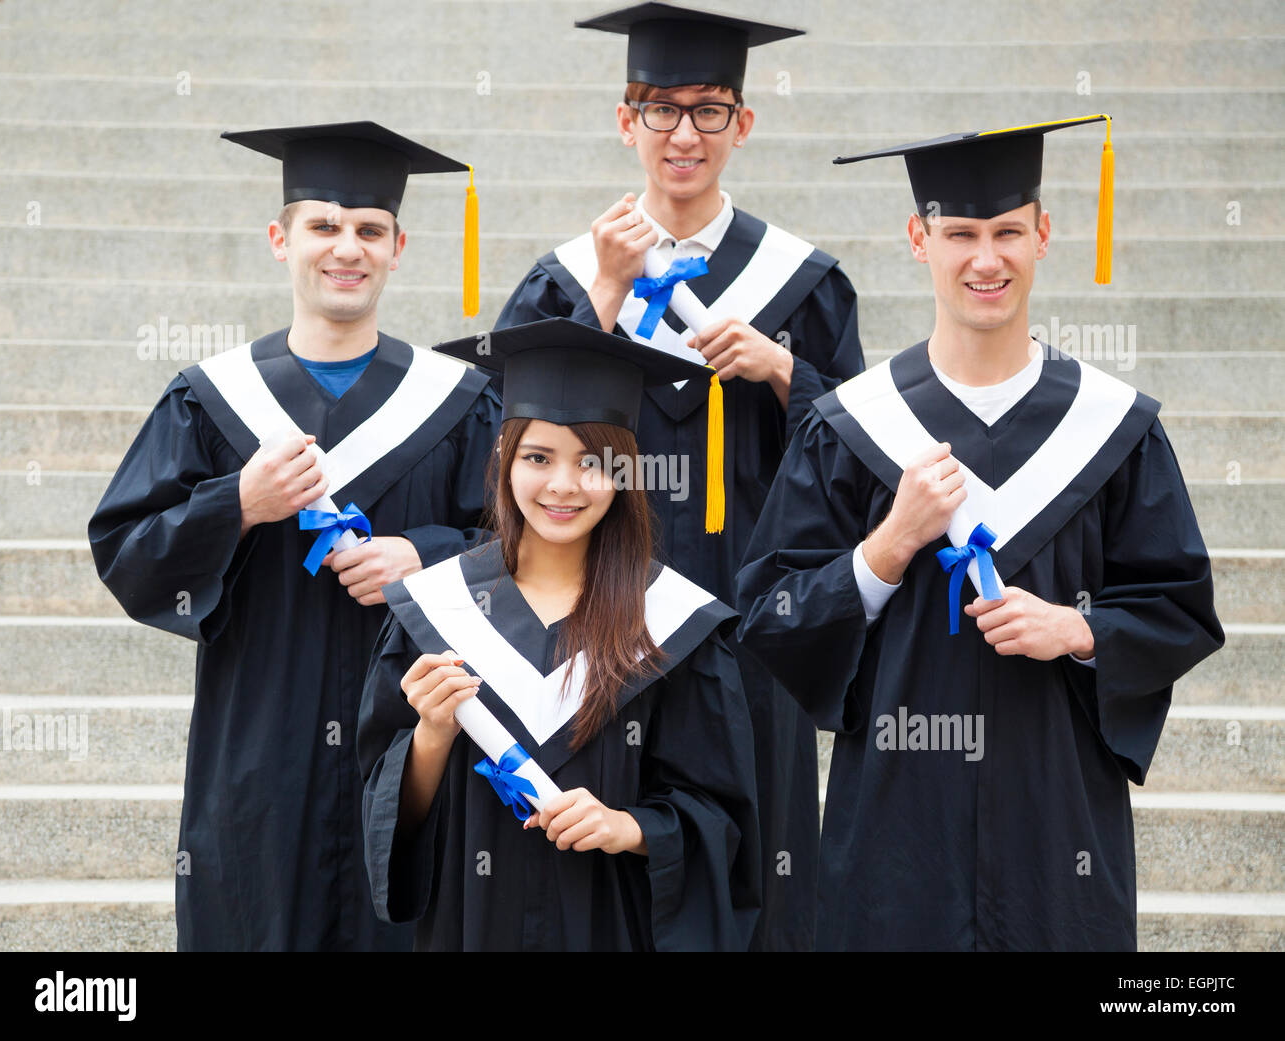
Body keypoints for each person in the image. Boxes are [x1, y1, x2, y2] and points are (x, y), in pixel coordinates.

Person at [735, 115, 1225, 951]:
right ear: (919, 239)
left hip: (1057, 827)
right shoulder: (852, 428)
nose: (986, 258)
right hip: (894, 831)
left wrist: (1077, 629)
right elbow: (768, 612)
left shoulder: (1112, 430)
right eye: (960, 233)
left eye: (1006, 232)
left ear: (1043, 235)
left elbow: (1181, 610)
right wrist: (886, 547)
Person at [494, 1, 863, 951]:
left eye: (709, 109)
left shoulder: (802, 284)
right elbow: (507, 455)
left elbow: (865, 465)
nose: (684, 132)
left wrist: (787, 374)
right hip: (602, 624)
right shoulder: (565, 280)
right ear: (627, 123)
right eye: (660, 108)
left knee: (763, 868)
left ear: (743, 124)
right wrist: (607, 298)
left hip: (752, 626)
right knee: (613, 860)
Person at [88, 121, 501, 951]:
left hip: (409, 744)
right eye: (323, 225)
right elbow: (128, 555)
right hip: (258, 747)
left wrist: (425, 553)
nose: (346, 247)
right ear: (281, 239)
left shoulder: (457, 402)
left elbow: (528, 546)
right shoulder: (211, 399)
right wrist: (234, 502)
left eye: (368, 230)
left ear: (397, 246)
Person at [357, 317, 762, 951]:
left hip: (613, 923)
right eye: (538, 458)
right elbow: (390, 821)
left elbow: (719, 818)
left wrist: (628, 826)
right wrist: (432, 735)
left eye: (591, 463)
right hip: (472, 924)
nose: (564, 486)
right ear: (504, 459)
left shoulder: (674, 624)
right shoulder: (436, 611)